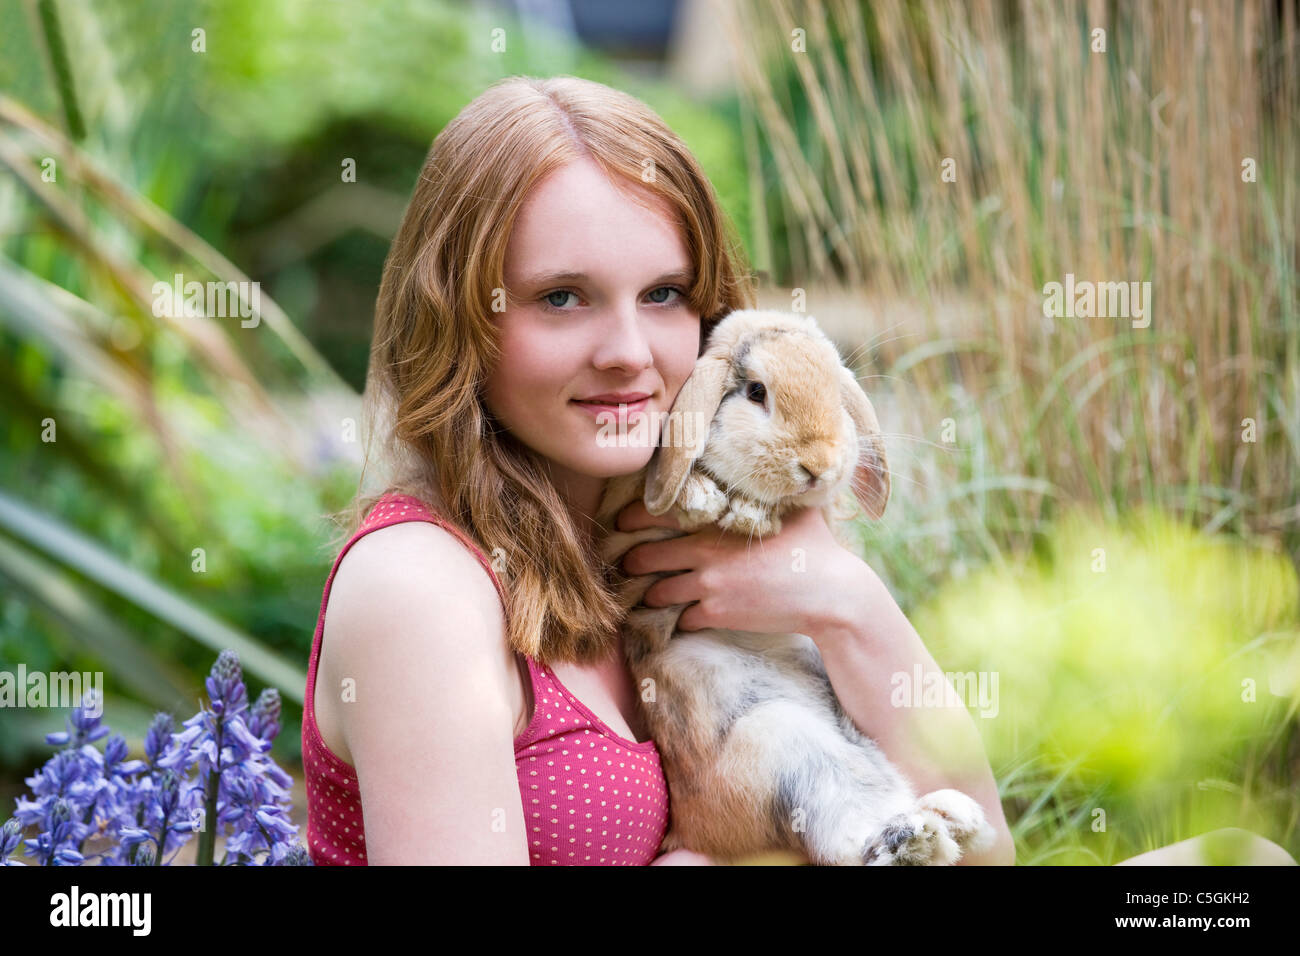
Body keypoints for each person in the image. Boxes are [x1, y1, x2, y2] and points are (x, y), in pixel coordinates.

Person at [300, 74, 1294, 867]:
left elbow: (986, 851)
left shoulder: (669, 539)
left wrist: (842, 598)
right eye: (562, 298)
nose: (628, 350)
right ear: (460, 315)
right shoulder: (424, 586)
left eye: (663, 294)